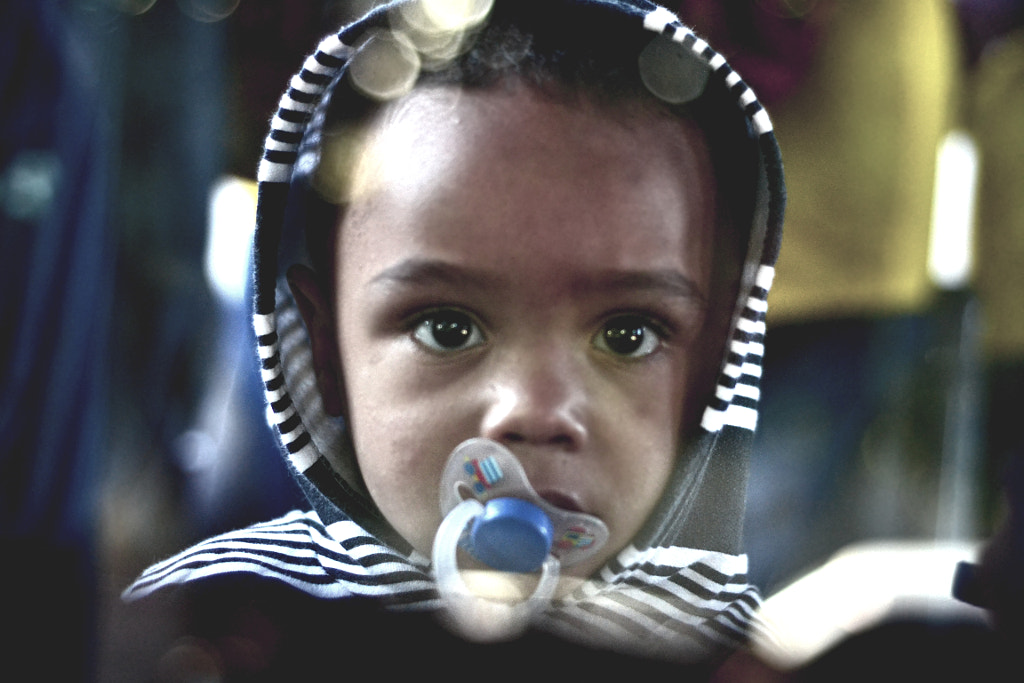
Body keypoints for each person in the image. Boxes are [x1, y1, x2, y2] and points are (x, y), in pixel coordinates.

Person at [121, 0, 785, 676]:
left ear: (709, 372)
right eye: (448, 328)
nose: (535, 409)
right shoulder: (225, 647)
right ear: (321, 355)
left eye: (626, 334)